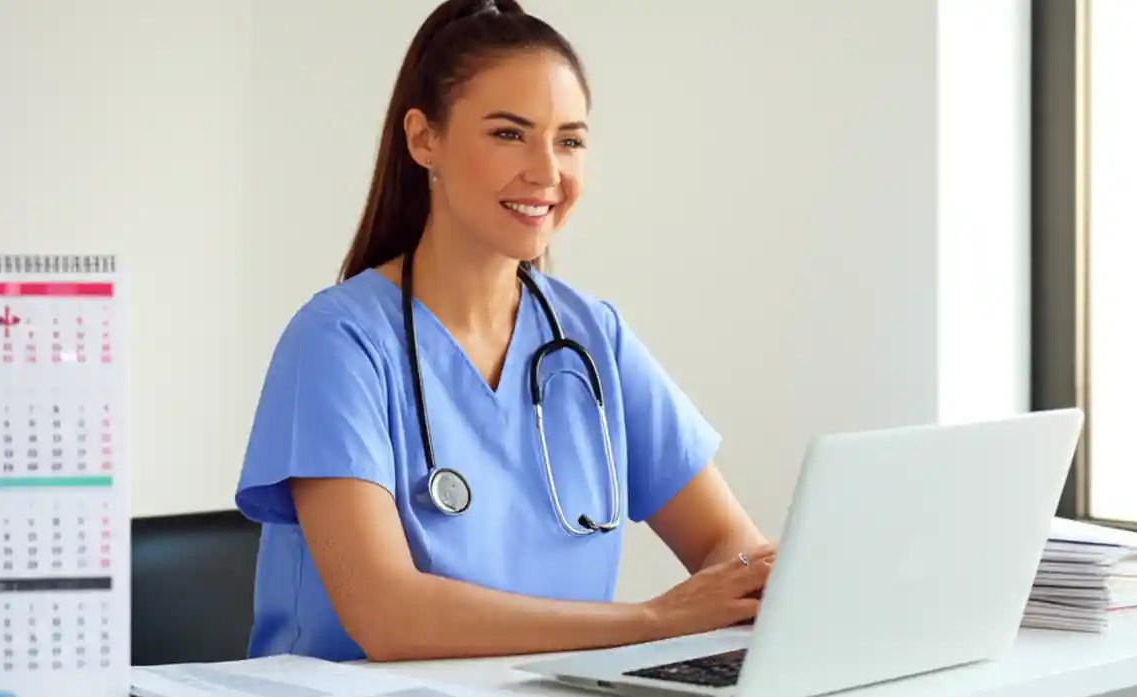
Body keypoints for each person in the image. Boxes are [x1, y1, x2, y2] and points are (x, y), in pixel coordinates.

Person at [235, 0, 772, 663]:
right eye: (508, 134)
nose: (548, 172)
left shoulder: (590, 337)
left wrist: (760, 587)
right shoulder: (338, 343)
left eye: (569, 140)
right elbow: (389, 617)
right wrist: (653, 620)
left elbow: (731, 547)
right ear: (423, 138)